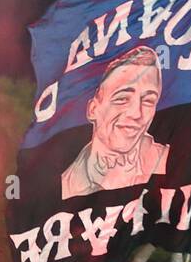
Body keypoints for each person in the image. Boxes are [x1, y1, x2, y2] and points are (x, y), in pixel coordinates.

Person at [60, 46, 168, 199]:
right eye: (122, 98)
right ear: (93, 109)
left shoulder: (172, 164)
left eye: (148, 101)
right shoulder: (65, 187)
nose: (136, 113)